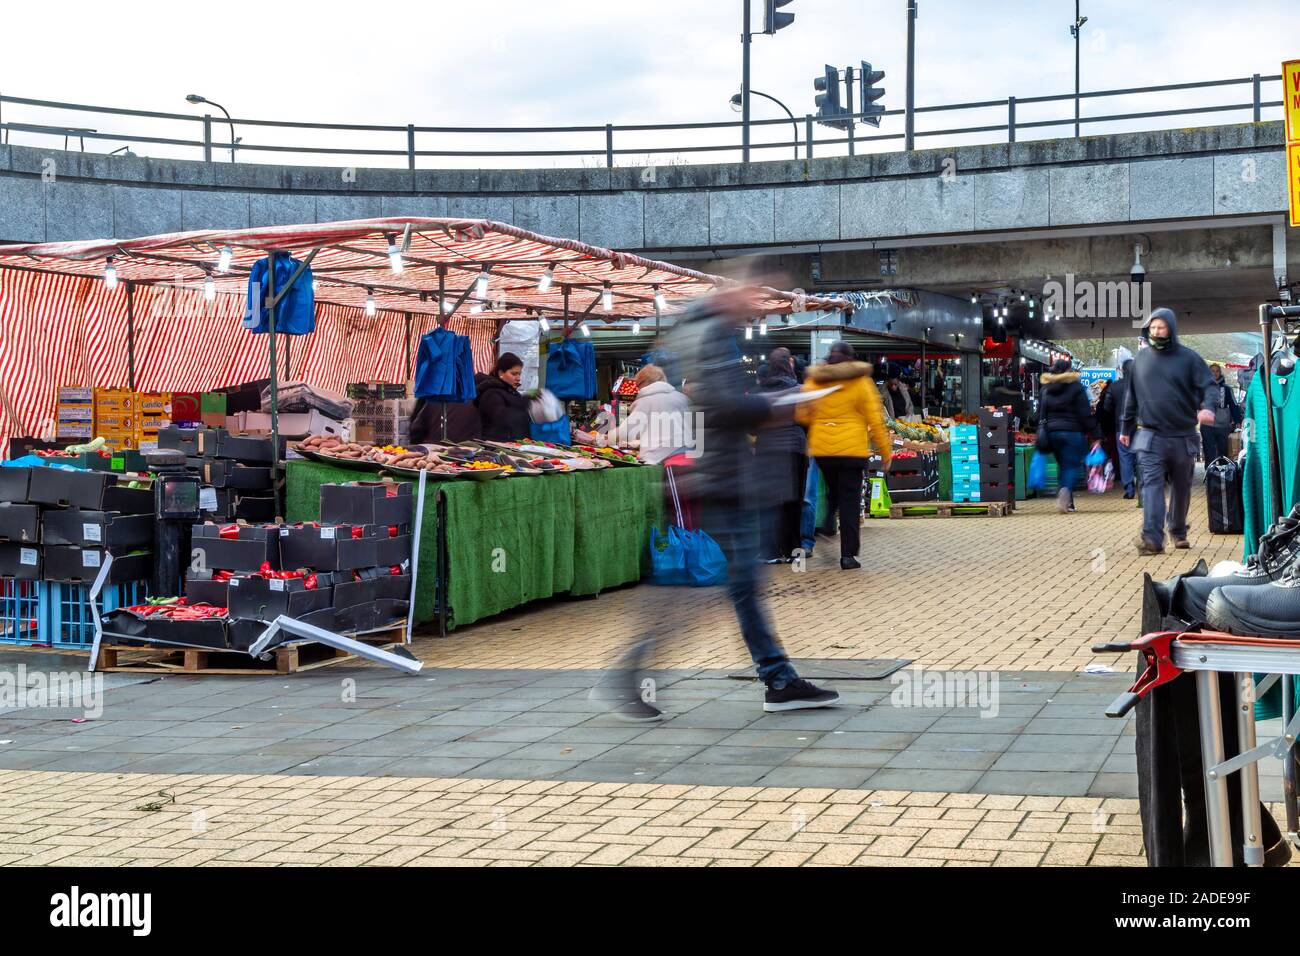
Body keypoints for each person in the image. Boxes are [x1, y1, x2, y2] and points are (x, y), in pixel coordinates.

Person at [592, 291, 841, 720]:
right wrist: (780, 404)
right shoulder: (713, 339)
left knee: (738, 589)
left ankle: (777, 678)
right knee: (708, 594)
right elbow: (724, 408)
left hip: (721, 482)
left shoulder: (705, 336)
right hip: (725, 485)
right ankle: (632, 675)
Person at [1120, 308, 1218, 555]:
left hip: (1183, 435)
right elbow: (1131, 396)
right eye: (1152, 327)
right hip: (1150, 436)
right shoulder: (1141, 360)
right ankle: (1152, 538)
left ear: (1171, 329)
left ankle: (1178, 530)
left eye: (1161, 327)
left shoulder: (1189, 358)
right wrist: (1126, 427)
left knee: (1182, 486)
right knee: (1151, 485)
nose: (1156, 331)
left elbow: (1210, 386)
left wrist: (1208, 408)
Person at [797, 342, 892, 570]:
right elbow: (875, 419)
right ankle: (847, 555)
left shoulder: (814, 380)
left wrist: (821, 424)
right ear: (851, 359)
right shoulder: (861, 382)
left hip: (823, 451)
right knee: (849, 500)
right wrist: (885, 451)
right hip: (852, 451)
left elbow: (801, 414)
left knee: (833, 488)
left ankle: (829, 517)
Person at [750, 348, 808, 563]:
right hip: (794, 449)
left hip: (766, 450)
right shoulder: (800, 391)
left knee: (768, 501)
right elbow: (807, 420)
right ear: (789, 367)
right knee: (793, 501)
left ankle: (770, 551)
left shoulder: (759, 394)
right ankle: (794, 550)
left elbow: (752, 428)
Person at [1038, 359, 1103, 514]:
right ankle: (1065, 491)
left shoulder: (1046, 388)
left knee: (1063, 465)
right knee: (1071, 466)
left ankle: (1068, 502)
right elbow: (1085, 414)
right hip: (1072, 432)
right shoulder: (1076, 387)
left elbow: (1040, 413)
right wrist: (1095, 434)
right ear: (1068, 370)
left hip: (1052, 433)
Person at [597, 365, 690, 465]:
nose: (638, 389)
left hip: (664, 459)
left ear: (646, 382)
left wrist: (601, 439)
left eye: (638, 385)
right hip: (689, 455)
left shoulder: (646, 401)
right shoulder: (682, 398)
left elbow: (626, 432)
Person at [475, 353, 531, 441]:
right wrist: (524, 402)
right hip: (495, 448)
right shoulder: (491, 393)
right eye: (514, 374)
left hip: (515, 446)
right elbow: (501, 418)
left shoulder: (512, 393)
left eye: (519, 374)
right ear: (501, 373)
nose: (518, 378)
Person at [1200, 363, 1241, 463]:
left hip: (1222, 425)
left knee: (1223, 451)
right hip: (1206, 425)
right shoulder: (1201, 387)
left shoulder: (1226, 389)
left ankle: (1223, 474)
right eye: (1212, 371)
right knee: (1208, 450)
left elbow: (1233, 404)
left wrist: (1238, 420)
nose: (1215, 373)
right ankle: (1209, 474)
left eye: (1217, 371)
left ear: (1220, 373)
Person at [1114, 358, 1138, 498]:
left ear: (1122, 370)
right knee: (1141, 456)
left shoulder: (1115, 386)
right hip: (1140, 426)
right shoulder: (1143, 386)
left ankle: (1129, 489)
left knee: (1125, 457)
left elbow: (1106, 407)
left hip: (1121, 427)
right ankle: (1143, 485)